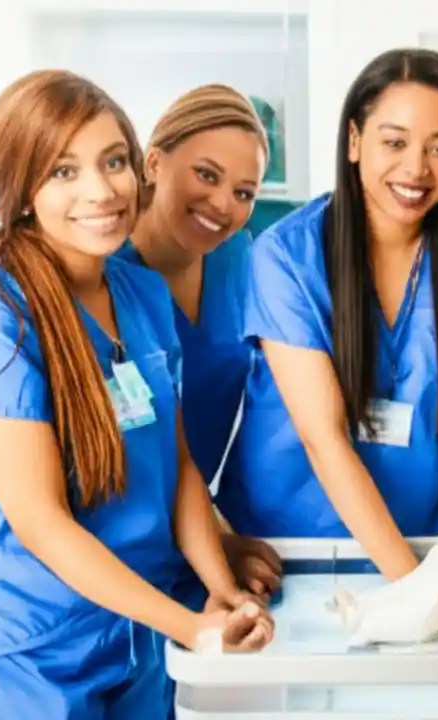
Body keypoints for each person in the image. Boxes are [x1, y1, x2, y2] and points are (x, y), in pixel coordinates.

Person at [0, 70, 272, 720]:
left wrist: (221, 594)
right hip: (35, 652)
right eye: (62, 172)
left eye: (113, 161)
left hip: (137, 637)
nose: (101, 191)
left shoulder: (141, 294)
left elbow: (180, 467)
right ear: (19, 192)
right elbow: (42, 524)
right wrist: (192, 629)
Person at [215, 48, 438, 581]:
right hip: (287, 556)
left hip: (423, 541)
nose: (416, 168)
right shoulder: (288, 256)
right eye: (395, 142)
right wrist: (413, 586)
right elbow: (324, 436)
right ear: (356, 141)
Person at [117, 84, 281, 602]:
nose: (223, 205)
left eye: (244, 192)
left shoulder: (238, 261)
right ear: (155, 162)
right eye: (207, 175)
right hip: (115, 546)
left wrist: (214, 537)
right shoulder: (103, 277)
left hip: (190, 538)